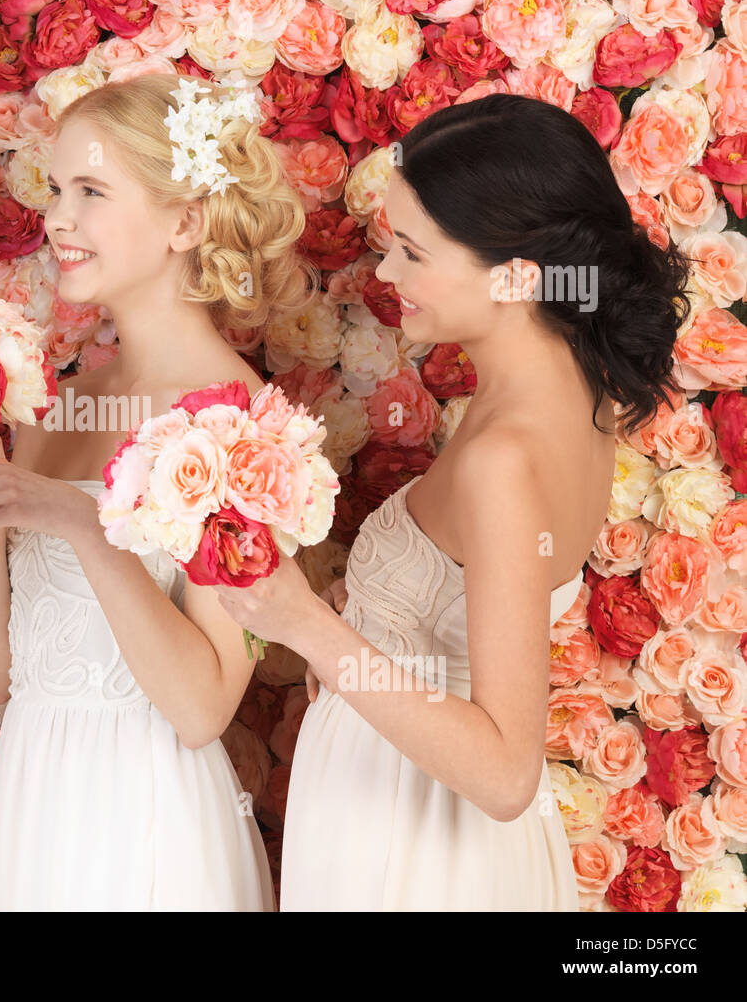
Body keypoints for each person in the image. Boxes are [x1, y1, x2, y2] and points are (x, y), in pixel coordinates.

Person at [214, 93, 693, 911]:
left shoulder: (504, 455)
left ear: (516, 275)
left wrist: (307, 627)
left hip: (421, 844)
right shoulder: (578, 395)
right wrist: (369, 615)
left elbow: (506, 773)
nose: (387, 274)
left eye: (411, 251)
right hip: (403, 815)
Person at [0, 71, 312, 910]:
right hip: (35, 823)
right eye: (58, 189)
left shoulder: (247, 429)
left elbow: (204, 706)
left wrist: (79, 521)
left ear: (185, 220)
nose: (58, 218)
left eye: (92, 191)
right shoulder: (56, 407)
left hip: (152, 834)